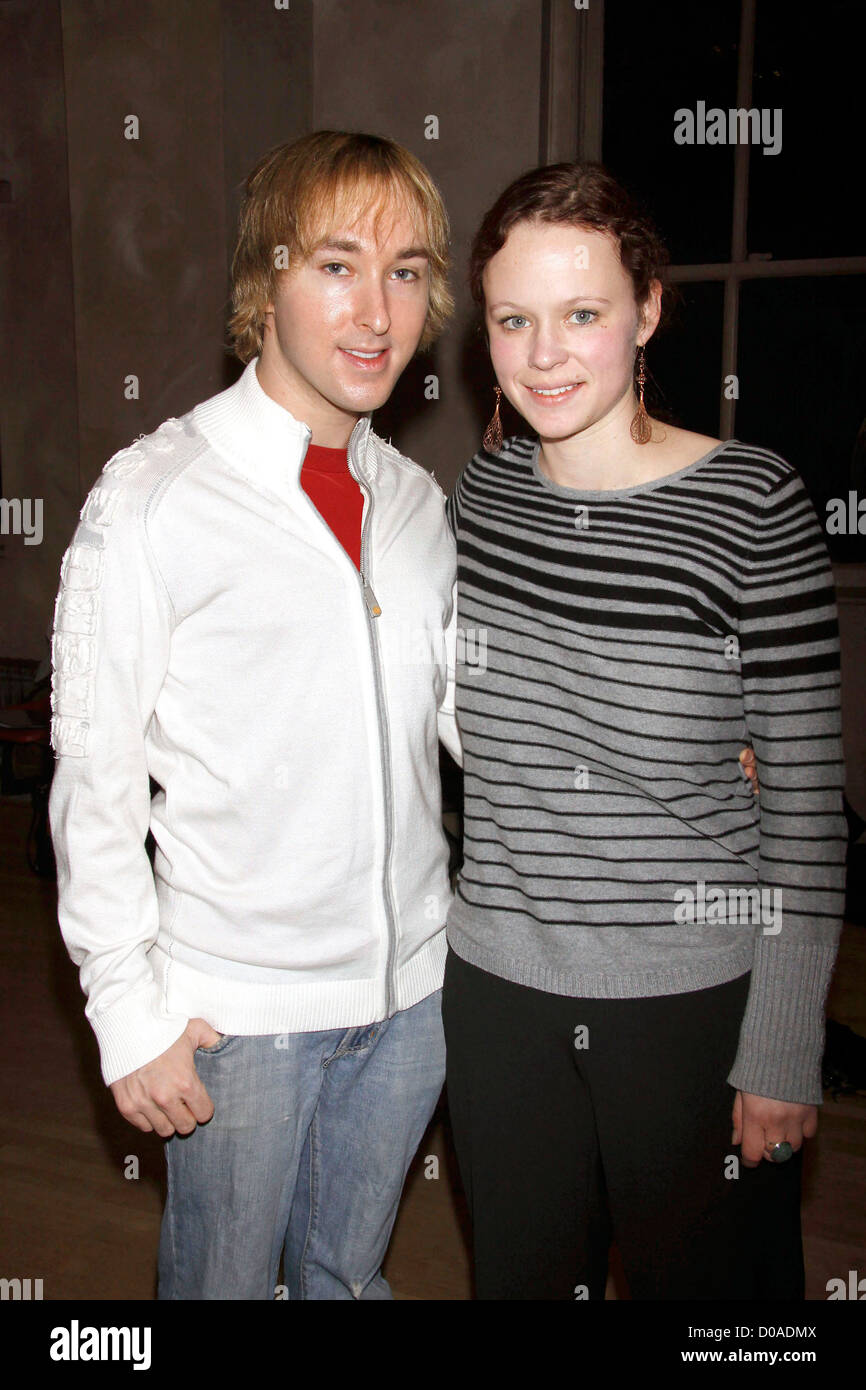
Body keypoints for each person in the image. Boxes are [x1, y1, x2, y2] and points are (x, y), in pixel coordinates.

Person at [48, 130, 463, 1301]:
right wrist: (127, 1013)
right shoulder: (156, 494)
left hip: (413, 1001)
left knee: (345, 1281)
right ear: (262, 282)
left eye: (407, 268)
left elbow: (464, 716)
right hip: (238, 1016)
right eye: (337, 264)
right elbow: (94, 771)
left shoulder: (416, 502)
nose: (377, 309)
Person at [440, 161, 846, 1300]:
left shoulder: (753, 505)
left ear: (648, 310)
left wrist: (779, 1049)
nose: (545, 353)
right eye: (514, 320)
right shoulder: (485, 502)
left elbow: (807, 808)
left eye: (583, 314)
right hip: (498, 996)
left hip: (688, 1008)